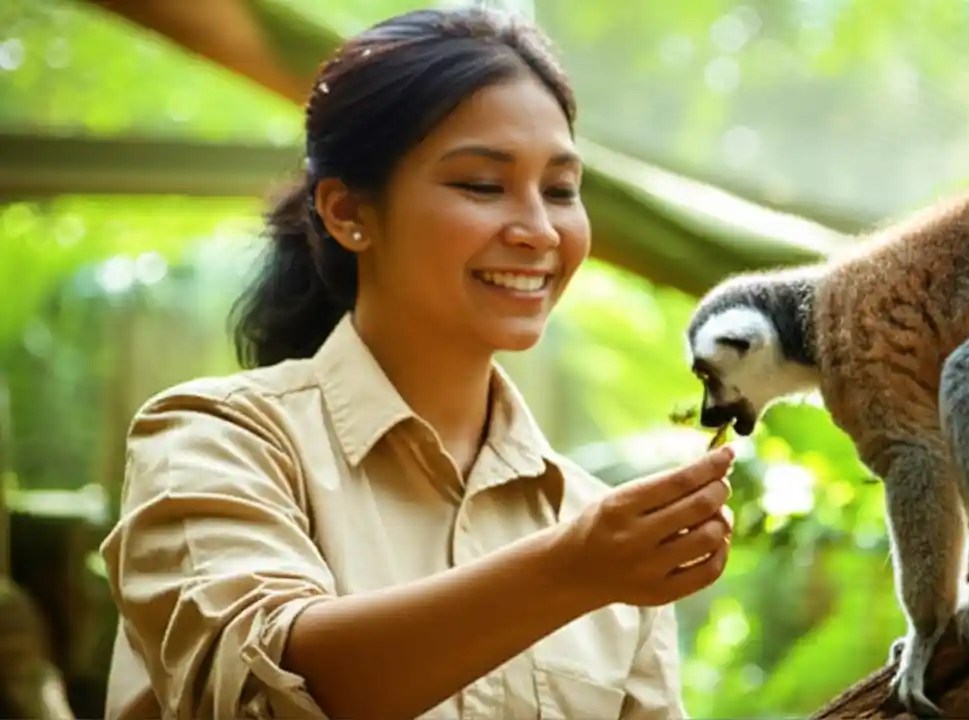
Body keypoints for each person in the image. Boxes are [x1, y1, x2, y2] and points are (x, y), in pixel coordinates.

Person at [97, 7, 735, 719]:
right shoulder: (215, 439)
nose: (538, 229)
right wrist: (568, 572)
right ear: (347, 213)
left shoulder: (598, 531)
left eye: (560, 190)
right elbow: (260, 695)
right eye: (481, 186)